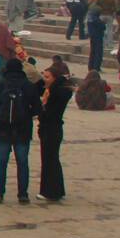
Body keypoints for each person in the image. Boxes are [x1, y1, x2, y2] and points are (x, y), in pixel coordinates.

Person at [0, 58, 43, 204]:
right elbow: (37, 109)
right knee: (22, 163)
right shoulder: (28, 86)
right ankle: (23, 194)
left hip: (2, 129)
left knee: (1, 162)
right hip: (23, 130)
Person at [37, 67, 72, 203]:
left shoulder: (57, 93)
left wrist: (41, 109)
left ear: (55, 78)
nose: (45, 80)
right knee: (51, 159)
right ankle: (55, 189)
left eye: (47, 77)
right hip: (52, 128)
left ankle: (50, 191)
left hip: (51, 129)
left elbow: (48, 113)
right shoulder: (55, 91)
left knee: (49, 160)